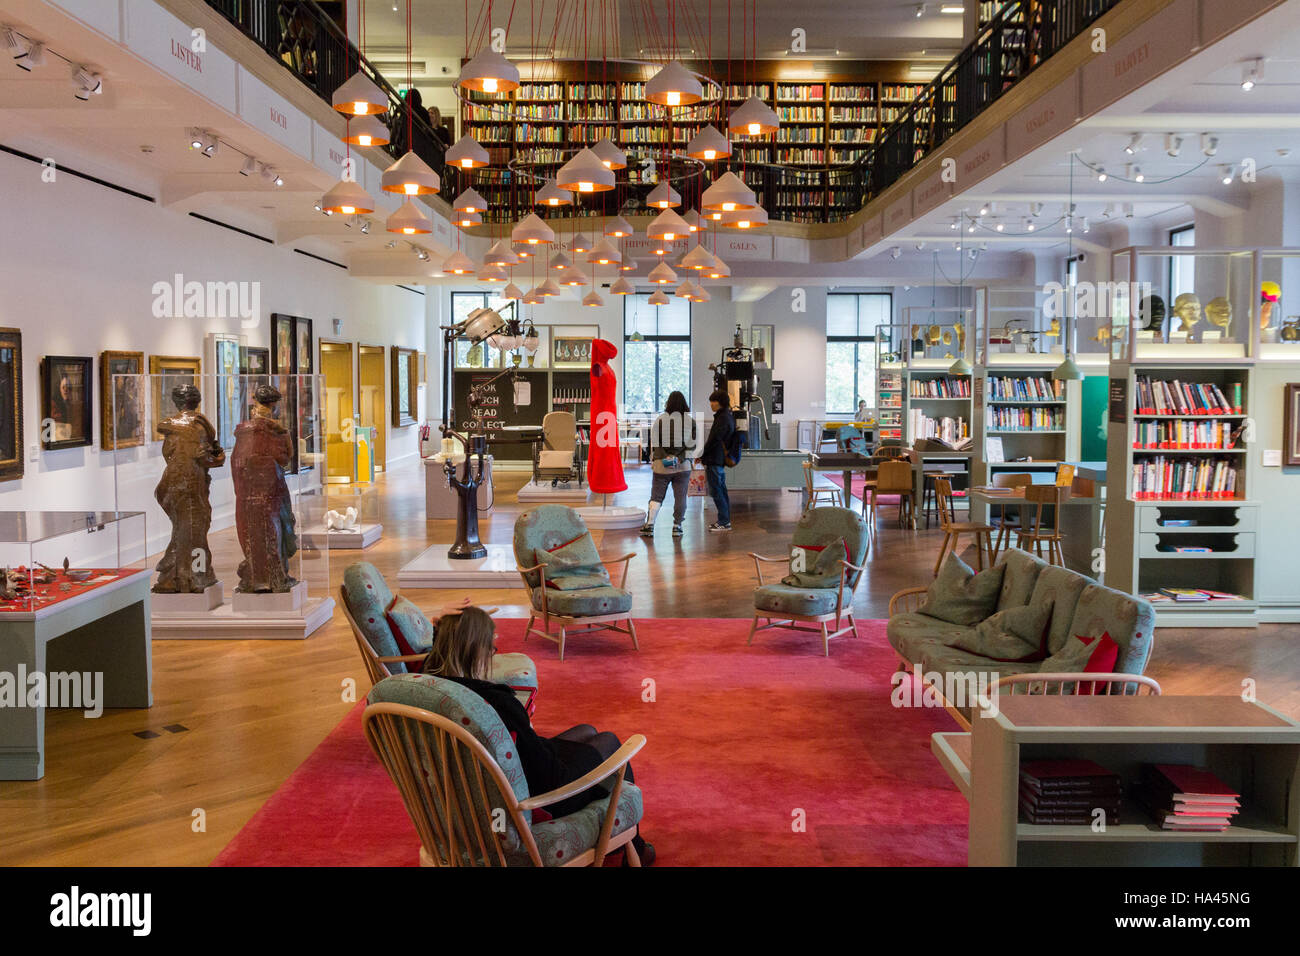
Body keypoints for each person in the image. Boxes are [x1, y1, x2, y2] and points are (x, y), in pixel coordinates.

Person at [422, 608, 654, 865]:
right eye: (491, 646)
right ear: (474, 649)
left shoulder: (428, 690)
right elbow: (548, 775)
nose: (493, 653)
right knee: (611, 744)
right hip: (540, 797)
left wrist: (438, 626)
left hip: (477, 790)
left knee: (587, 730)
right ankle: (635, 847)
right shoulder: (498, 701)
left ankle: (622, 841)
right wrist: (526, 727)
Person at [640, 391, 697, 537]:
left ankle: (650, 525)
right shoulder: (691, 422)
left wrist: (666, 457)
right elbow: (692, 445)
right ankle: (677, 526)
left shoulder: (660, 420)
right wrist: (679, 458)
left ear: (668, 403)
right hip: (682, 466)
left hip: (661, 465)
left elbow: (655, 442)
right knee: (680, 497)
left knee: (656, 496)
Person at [697, 389, 734, 532]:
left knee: (717, 491)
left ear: (719, 403)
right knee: (721, 490)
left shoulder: (722, 418)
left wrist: (702, 453)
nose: (711, 404)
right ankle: (724, 521)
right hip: (717, 459)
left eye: (713, 401)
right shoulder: (726, 416)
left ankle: (724, 522)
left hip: (715, 459)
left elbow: (714, 439)